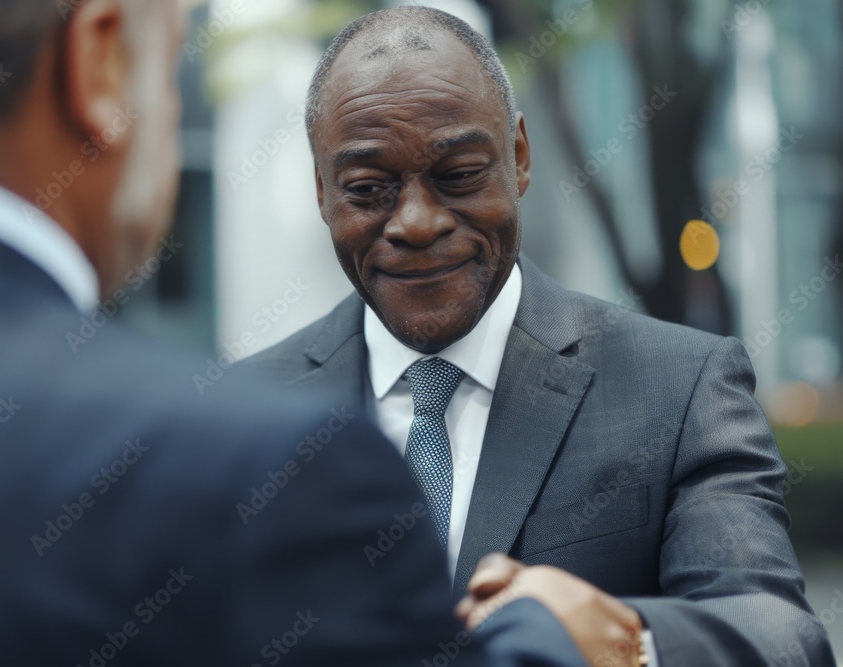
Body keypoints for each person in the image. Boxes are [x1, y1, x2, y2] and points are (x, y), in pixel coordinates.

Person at [0, 0, 600, 665]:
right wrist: (552, 638)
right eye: (172, 67)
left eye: (459, 173)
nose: (416, 221)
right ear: (100, 59)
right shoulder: (266, 469)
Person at [245, 6, 836, 666]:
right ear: (322, 192)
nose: (414, 221)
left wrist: (621, 639)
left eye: (459, 174)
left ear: (519, 157)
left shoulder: (681, 387)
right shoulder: (240, 419)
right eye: (369, 187)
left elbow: (782, 635)